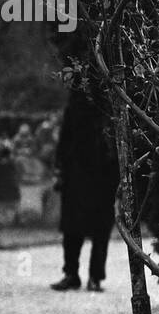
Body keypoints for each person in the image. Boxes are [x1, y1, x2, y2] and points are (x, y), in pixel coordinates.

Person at [51, 86, 119, 291]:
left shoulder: (111, 102)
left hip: (103, 173)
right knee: (73, 227)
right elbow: (65, 137)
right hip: (77, 172)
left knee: (100, 228)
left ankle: (95, 277)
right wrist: (60, 168)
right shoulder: (76, 103)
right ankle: (71, 274)